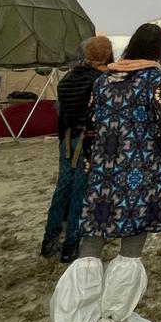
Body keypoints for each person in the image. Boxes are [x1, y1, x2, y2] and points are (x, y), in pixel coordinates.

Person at [50, 22, 161, 322]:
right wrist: (146, 146)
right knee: (130, 245)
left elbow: (89, 125)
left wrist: (98, 157)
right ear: (158, 49)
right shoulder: (156, 79)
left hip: (103, 167)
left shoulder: (104, 79)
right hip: (140, 168)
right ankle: (115, 320)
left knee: (91, 242)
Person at [41, 35, 112, 263]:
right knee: (81, 192)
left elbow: (61, 113)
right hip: (88, 141)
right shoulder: (101, 80)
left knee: (62, 188)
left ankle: (49, 241)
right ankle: (71, 244)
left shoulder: (70, 78)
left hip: (67, 138)